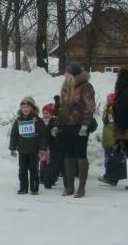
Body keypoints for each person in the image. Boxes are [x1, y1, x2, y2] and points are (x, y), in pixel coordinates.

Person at [53, 63, 96, 197]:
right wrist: (57, 124)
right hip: (67, 125)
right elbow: (62, 108)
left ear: (74, 74)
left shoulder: (85, 86)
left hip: (80, 125)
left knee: (81, 154)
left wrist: (85, 125)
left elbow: (90, 107)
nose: (65, 75)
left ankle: (81, 188)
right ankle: (69, 187)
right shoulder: (66, 86)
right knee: (68, 154)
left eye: (68, 73)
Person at [9, 97, 47, 195]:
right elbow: (14, 135)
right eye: (23, 107)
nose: (25, 109)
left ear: (32, 108)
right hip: (22, 150)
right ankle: (23, 187)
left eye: (27, 107)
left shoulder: (37, 120)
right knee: (22, 170)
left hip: (34, 150)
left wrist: (42, 147)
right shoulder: (18, 121)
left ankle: (34, 188)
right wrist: (12, 148)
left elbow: (43, 134)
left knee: (34, 169)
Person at [40, 102, 62, 189]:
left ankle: (50, 178)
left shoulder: (54, 122)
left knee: (50, 163)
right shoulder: (40, 122)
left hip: (51, 146)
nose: (45, 115)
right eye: (44, 113)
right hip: (42, 147)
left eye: (47, 113)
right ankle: (42, 178)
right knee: (43, 162)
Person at [101, 92, 117, 168]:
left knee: (110, 156)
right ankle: (109, 173)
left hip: (111, 138)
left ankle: (110, 174)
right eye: (108, 100)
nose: (108, 101)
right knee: (108, 155)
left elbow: (110, 123)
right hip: (107, 137)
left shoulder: (112, 110)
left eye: (110, 100)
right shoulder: (108, 109)